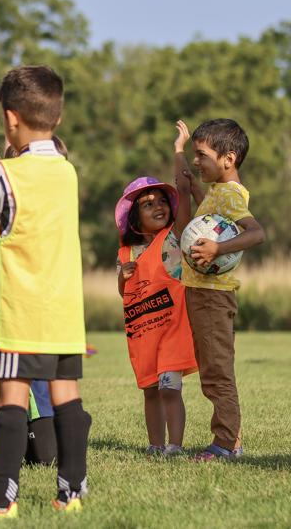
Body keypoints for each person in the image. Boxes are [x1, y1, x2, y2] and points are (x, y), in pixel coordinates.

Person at [0, 65, 91, 517]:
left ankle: (2, 499)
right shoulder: (68, 172)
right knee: (68, 397)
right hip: (65, 309)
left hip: (22, 309)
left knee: (12, 398)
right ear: (57, 119)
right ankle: (71, 494)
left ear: (10, 119)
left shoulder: (3, 173)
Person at [174, 118, 266, 461]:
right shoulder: (216, 193)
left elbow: (256, 233)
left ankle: (226, 444)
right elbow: (186, 187)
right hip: (200, 292)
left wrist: (216, 250)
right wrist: (179, 152)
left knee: (216, 371)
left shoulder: (229, 194)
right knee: (211, 367)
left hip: (213, 296)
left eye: (202, 155)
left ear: (228, 158)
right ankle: (230, 439)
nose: (197, 163)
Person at [116, 175, 197, 456]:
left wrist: (182, 175)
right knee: (150, 391)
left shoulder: (172, 239)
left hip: (171, 333)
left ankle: (174, 445)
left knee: (169, 390)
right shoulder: (126, 252)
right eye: (148, 204)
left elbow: (185, 209)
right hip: (143, 336)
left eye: (162, 201)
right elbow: (124, 293)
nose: (158, 206)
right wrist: (121, 277)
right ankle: (155, 444)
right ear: (135, 220)